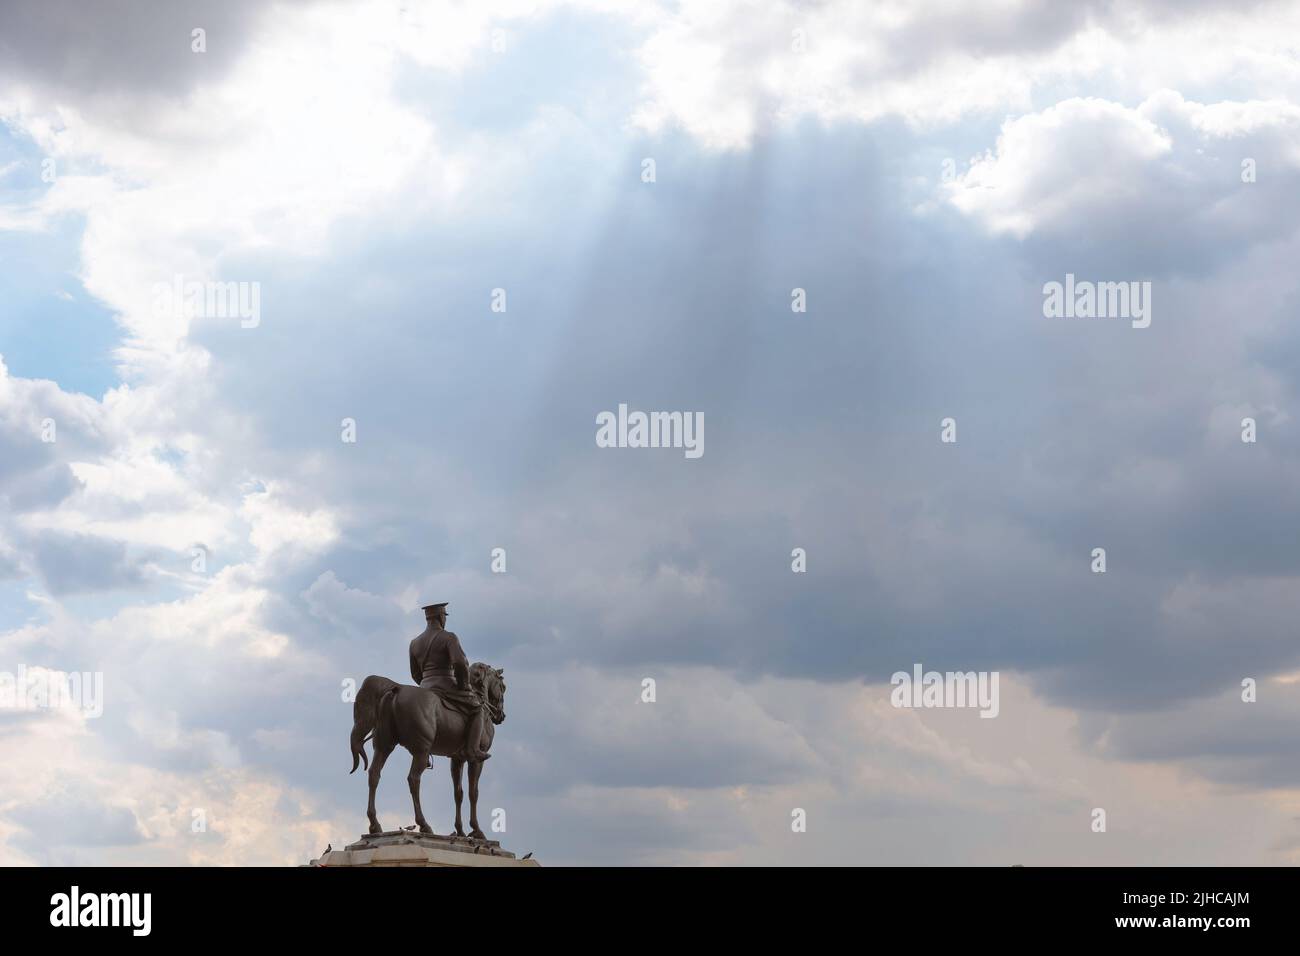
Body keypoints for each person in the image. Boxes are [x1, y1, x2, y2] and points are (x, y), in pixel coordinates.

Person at [408, 602, 491, 762]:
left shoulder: (415, 643)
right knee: (477, 708)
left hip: (425, 687)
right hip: (447, 685)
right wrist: (463, 686)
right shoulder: (449, 637)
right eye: (444, 616)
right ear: (441, 617)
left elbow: (415, 673)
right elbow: (460, 664)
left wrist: (426, 685)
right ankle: (473, 749)